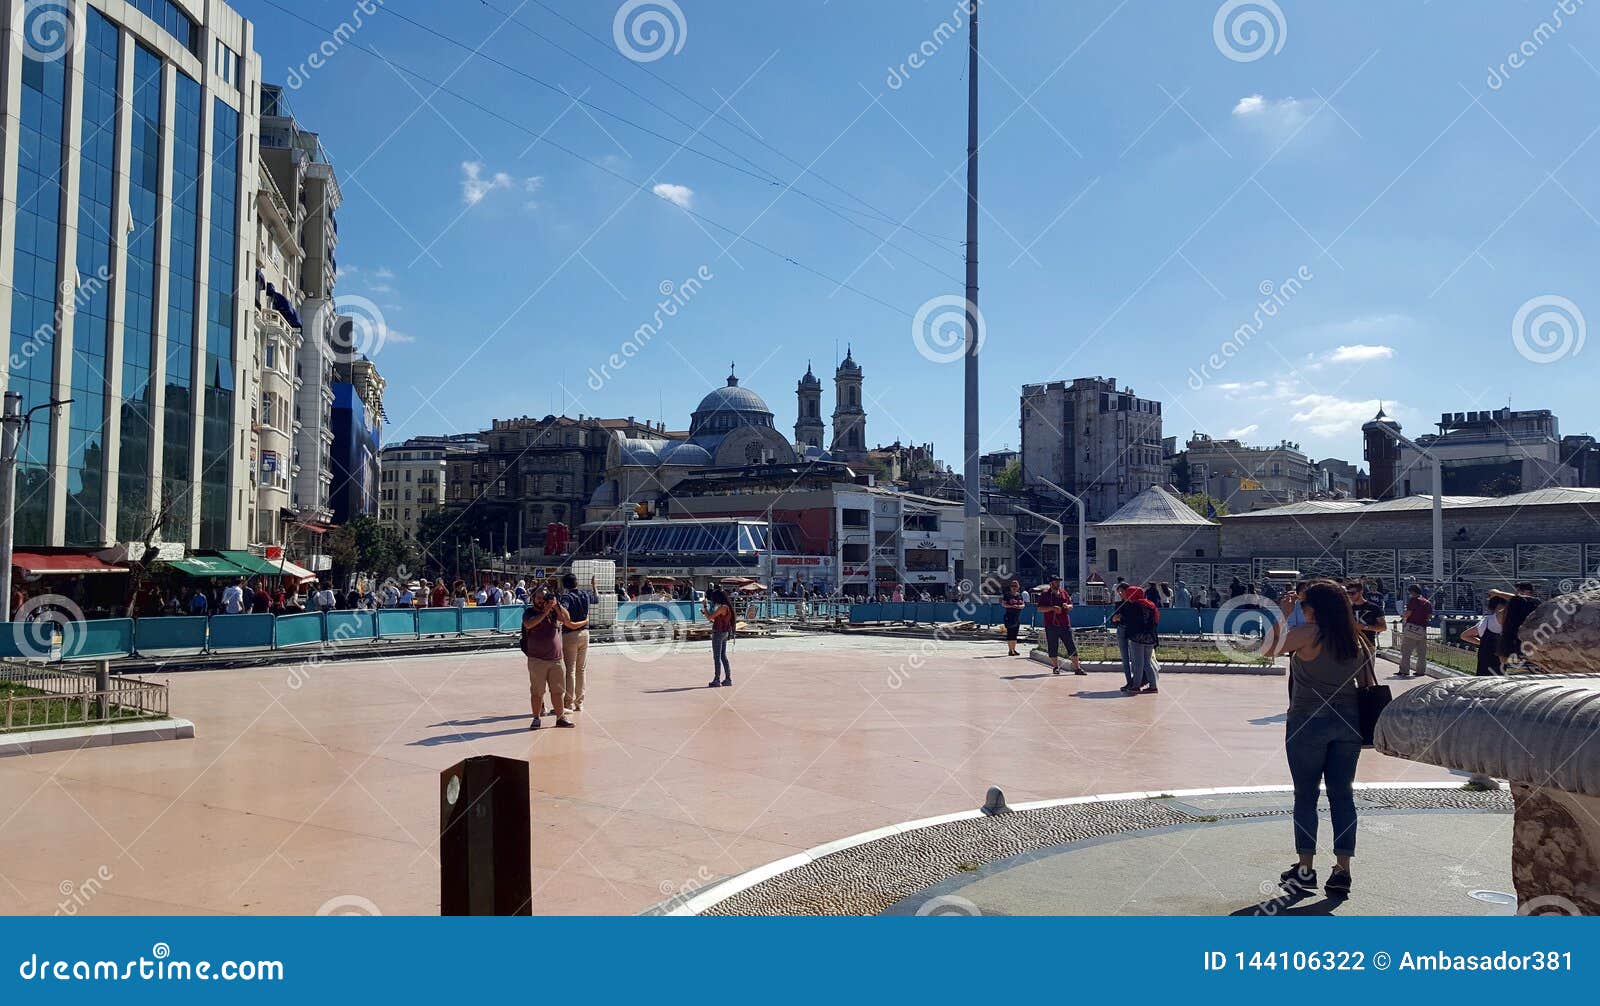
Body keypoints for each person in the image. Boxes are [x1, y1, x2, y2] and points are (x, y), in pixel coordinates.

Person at [1265, 581, 1371, 899]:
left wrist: (1281, 614)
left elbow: (1266, 648)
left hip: (1307, 726)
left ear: (1314, 609)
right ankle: (1342, 872)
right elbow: (1365, 683)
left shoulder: (1310, 634)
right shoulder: (1359, 640)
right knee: (1342, 797)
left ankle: (1305, 869)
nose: (1302, 609)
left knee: (1306, 796)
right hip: (1349, 725)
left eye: (1303, 605)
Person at [520, 588, 578, 729]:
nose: (541, 600)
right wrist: (544, 612)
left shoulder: (553, 612)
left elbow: (566, 620)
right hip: (537, 660)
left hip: (556, 659)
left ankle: (560, 718)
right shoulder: (529, 613)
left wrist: (557, 606)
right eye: (538, 597)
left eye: (544, 598)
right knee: (537, 692)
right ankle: (536, 718)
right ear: (533, 598)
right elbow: (529, 624)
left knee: (558, 691)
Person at [558, 572, 597, 712]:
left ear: (564, 585)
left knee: (570, 670)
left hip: (570, 635)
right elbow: (596, 599)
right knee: (581, 670)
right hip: (585, 633)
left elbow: (563, 610)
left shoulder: (567, 597)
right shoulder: (585, 595)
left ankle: (567, 703)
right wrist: (594, 586)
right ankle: (579, 703)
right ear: (577, 583)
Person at [1035, 576, 1083, 675]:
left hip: (1064, 623)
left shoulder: (1064, 593)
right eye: (1055, 582)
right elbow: (1039, 609)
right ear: (1051, 583)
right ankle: (1055, 667)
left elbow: (1071, 605)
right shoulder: (1045, 594)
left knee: (1070, 645)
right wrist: (1052, 608)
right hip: (1051, 624)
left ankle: (1077, 668)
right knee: (1053, 646)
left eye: (1058, 582)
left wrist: (1067, 606)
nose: (1058, 584)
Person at [1119, 585, 1160, 695]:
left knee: (1138, 663)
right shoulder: (1151, 605)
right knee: (1147, 663)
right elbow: (1155, 620)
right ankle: (1153, 686)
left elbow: (1131, 620)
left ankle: (1136, 686)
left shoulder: (1134, 605)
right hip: (1150, 637)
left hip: (1137, 637)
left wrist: (1119, 618)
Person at [1461, 594, 1508, 675]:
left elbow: (1464, 636)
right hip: (1497, 661)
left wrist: (1482, 643)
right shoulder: (1497, 619)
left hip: (1484, 661)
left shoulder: (1484, 621)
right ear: (1500, 606)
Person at [1396, 583, 1433, 677]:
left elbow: (1408, 613)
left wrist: (1403, 616)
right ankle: (1420, 671)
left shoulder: (1413, 601)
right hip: (1422, 630)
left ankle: (1404, 670)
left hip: (1411, 629)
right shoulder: (1427, 602)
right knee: (1421, 653)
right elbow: (1429, 616)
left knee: (1406, 651)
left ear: (1412, 592)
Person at [702, 587, 736, 688]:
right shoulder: (728, 607)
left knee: (717, 657)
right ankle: (728, 679)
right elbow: (714, 619)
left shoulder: (722, 607)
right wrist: (706, 612)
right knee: (723, 656)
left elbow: (710, 617)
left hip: (718, 633)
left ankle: (717, 679)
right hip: (724, 633)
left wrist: (705, 607)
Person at [1109, 583, 1134, 686]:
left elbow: (1132, 619)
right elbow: (1113, 619)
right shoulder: (1119, 604)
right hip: (1121, 630)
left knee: (1134, 657)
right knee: (1125, 658)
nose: (1120, 593)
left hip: (1131, 631)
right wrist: (1114, 619)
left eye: (1122, 591)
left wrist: (1121, 618)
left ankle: (1136, 680)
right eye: (1118, 591)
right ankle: (1128, 681)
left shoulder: (1133, 603)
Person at [1000, 579, 1026, 657]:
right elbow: (1003, 604)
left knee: (1015, 633)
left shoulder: (1019, 595)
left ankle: (1014, 649)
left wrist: (1018, 606)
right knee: (1010, 633)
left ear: (1018, 587)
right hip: (1009, 616)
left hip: (1016, 617)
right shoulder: (1007, 595)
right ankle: (1010, 650)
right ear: (1010, 587)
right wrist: (1011, 606)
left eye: (1016, 586)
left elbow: (1023, 605)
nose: (1014, 588)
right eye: (1013, 586)